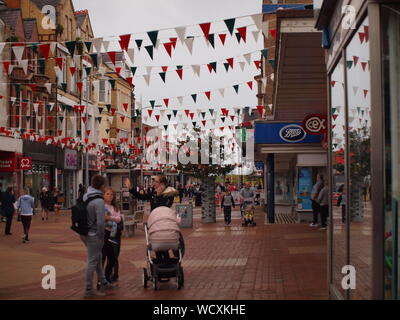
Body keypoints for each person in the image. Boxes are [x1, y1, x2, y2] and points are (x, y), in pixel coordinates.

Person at [80, 175, 114, 298]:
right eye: (104, 185)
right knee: (92, 260)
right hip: (93, 233)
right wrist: (101, 236)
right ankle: (89, 288)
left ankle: (103, 281)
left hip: (83, 231)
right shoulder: (99, 201)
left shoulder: (86, 195)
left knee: (98, 257)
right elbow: (100, 222)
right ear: (101, 186)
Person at [102, 187, 122, 284]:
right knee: (103, 256)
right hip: (103, 234)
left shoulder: (115, 207)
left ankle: (109, 275)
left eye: (111, 194)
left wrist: (109, 217)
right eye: (107, 194)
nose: (110, 196)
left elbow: (119, 219)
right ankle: (101, 278)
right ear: (103, 195)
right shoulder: (101, 206)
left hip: (114, 234)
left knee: (113, 257)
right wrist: (112, 218)